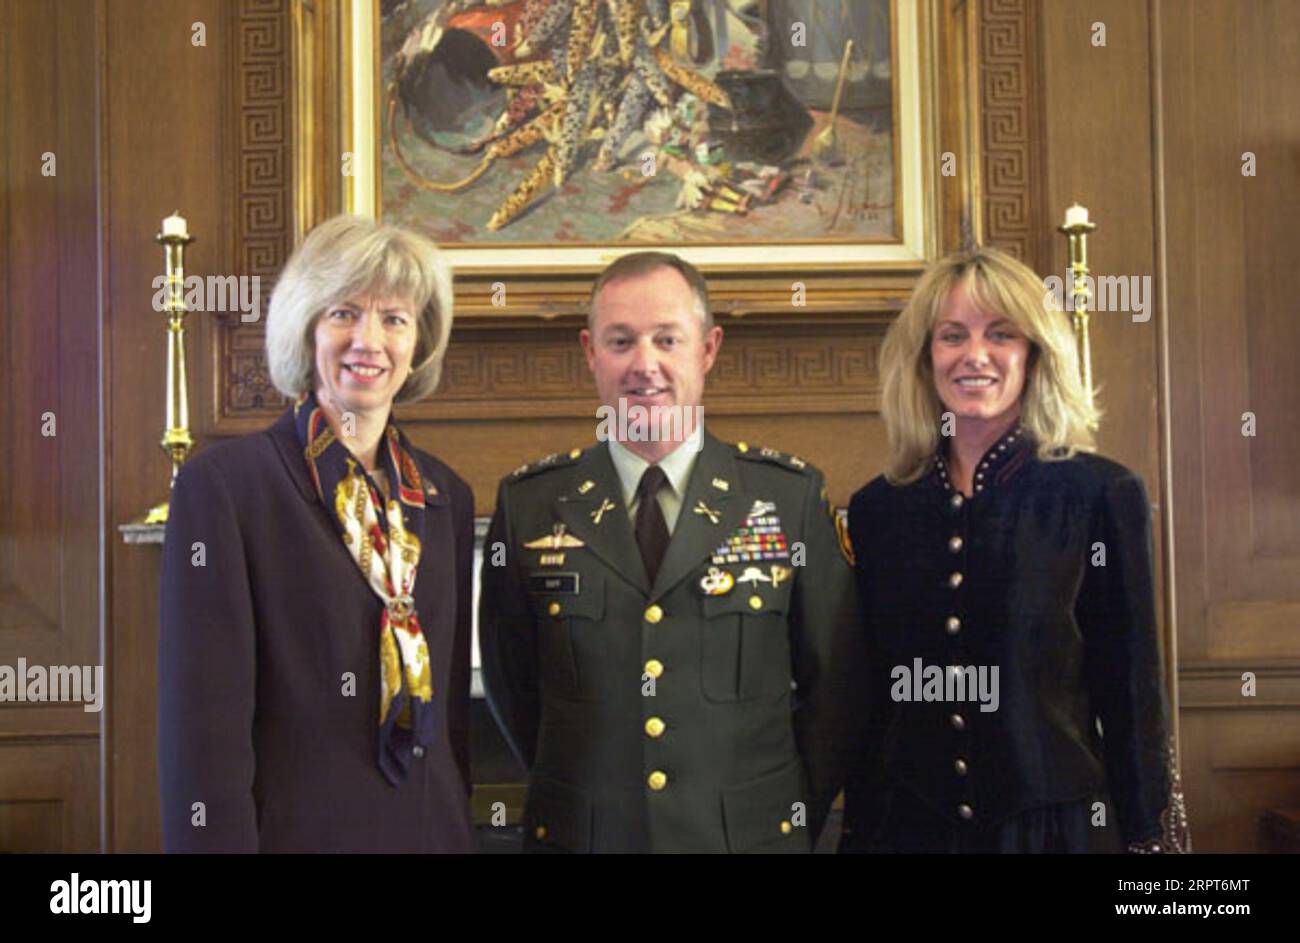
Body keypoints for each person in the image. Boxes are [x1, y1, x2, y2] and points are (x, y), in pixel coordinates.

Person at [479, 252, 859, 853]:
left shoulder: (788, 498)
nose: (644, 365)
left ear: (707, 350)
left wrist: (775, 817)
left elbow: (835, 690)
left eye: (666, 339)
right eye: (621, 341)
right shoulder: (532, 504)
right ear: (590, 352)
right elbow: (513, 686)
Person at [159, 215, 475, 852]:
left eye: (394, 318)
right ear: (306, 328)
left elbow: (453, 726)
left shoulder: (446, 497)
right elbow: (201, 732)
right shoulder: (226, 488)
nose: (370, 341)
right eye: (343, 314)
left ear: (420, 342)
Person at [840, 246, 1170, 854]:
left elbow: (1131, 693)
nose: (975, 355)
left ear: (1034, 354)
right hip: (911, 829)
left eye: (1001, 334)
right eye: (952, 336)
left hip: (1059, 830)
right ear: (925, 357)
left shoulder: (1098, 493)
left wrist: (1147, 839)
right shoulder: (879, 509)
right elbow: (872, 700)